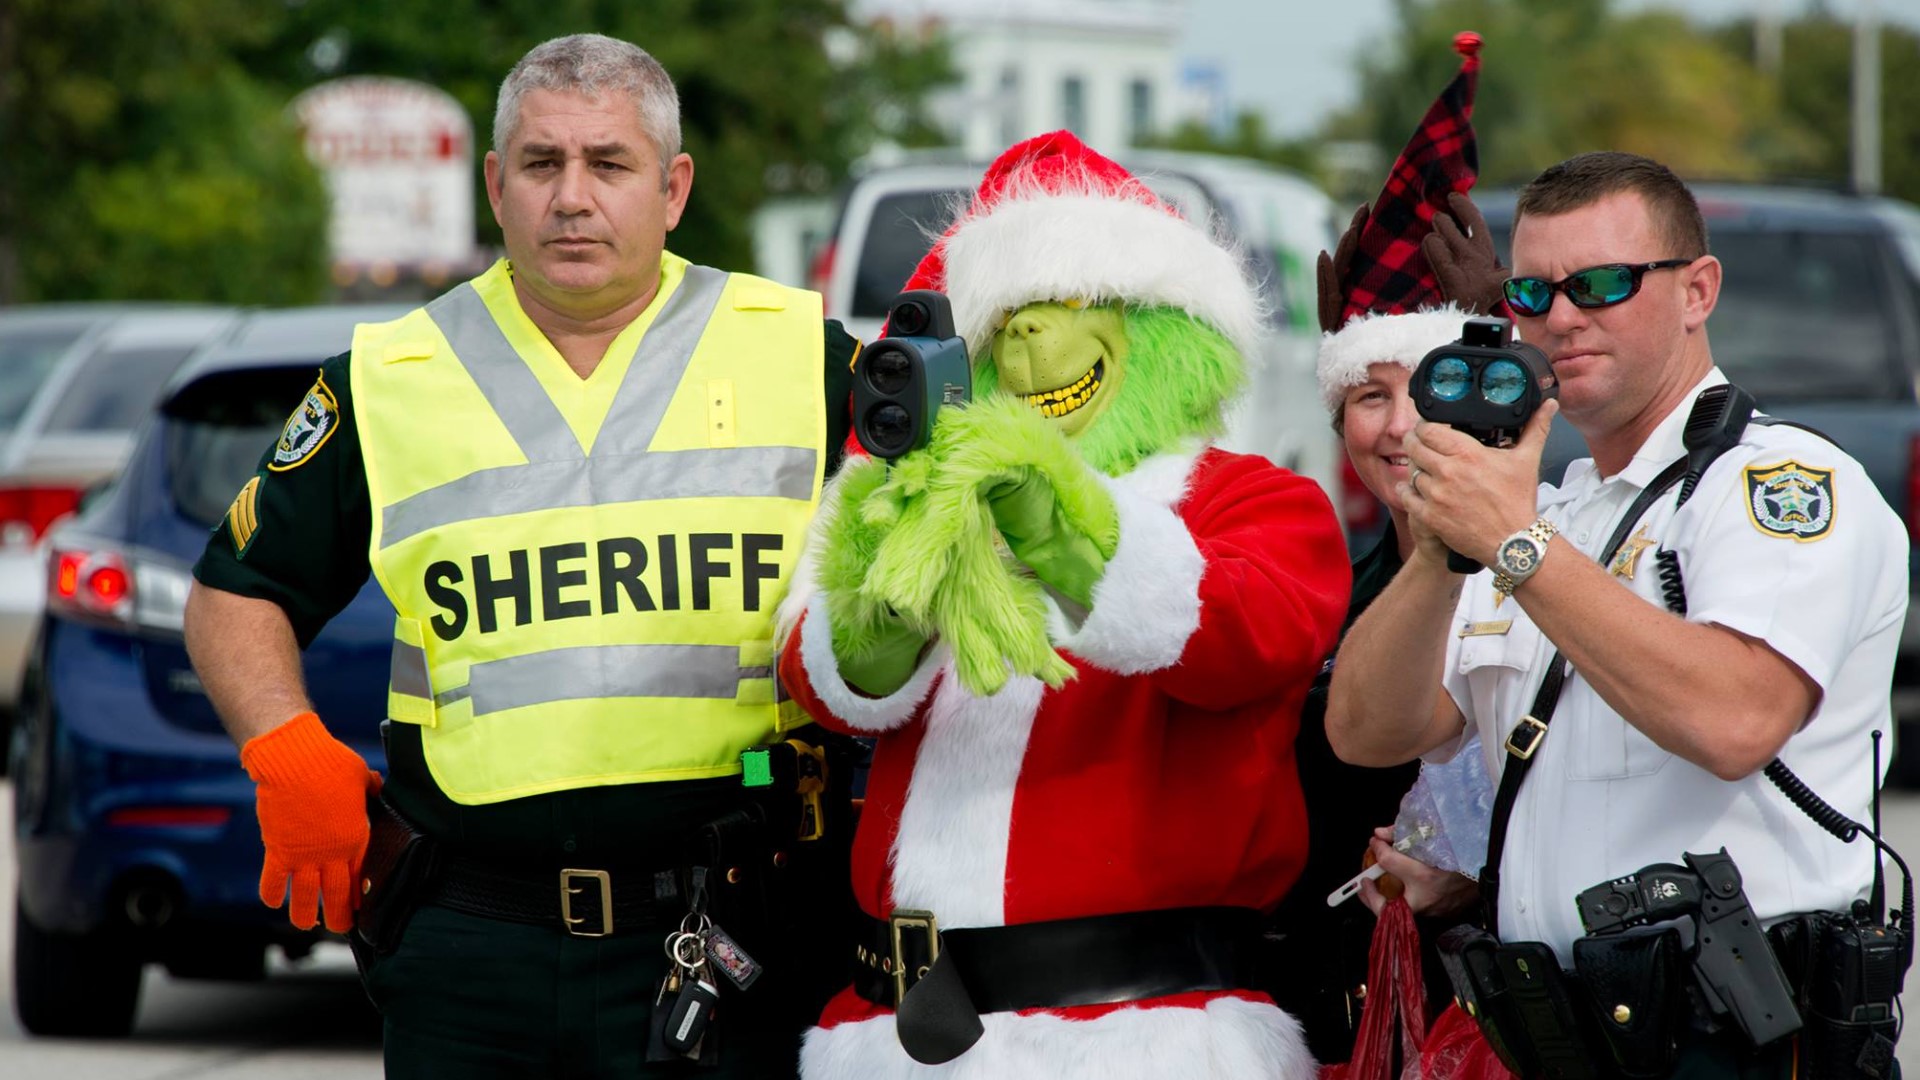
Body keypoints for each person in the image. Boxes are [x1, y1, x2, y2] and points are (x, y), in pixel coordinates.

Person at [183, 33, 860, 1079]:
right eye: (542, 164)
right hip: (469, 949)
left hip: (729, 934)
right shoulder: (387, 377)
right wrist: (284, 743)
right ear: (497, 186)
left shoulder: (806, 357)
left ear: (674, 188)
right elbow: (237, 592)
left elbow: (932, 568)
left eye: (610, 163)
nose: (572, 197)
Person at [776, 131, 1350, 1078]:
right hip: (896, 1033)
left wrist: (1059, 525)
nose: (1030, 335)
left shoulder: (1248, 499)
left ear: (1167, 328)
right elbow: (823, 678)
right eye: (1005, 316)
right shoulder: (912, 493)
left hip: (1147, 1035)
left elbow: (1250, 636)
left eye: (1073, 303)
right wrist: (906, 565)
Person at [1326, 150, 1908, 1077]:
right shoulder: (1548, 512)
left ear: (1697, 291)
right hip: (1551, 1035)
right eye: (1532, 293)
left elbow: (1733, 719)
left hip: (1731, 1039)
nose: (1561, 316)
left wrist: (1517, 548)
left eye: (1602, 284)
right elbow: (1367, 729)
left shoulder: (1778, 486)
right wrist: (1443, 548)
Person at [1270, 34, 1496, 1062]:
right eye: (1371, 394)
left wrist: (1470, 878)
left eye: (1429, 385)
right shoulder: (1321, 591)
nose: (1400, 426)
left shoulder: (1570, 579)